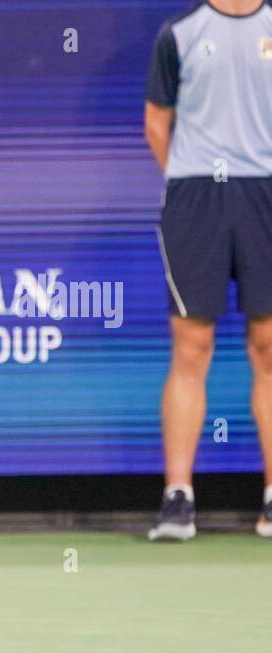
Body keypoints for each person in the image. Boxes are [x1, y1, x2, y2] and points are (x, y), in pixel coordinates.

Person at [144, 0, 272, 540]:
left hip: (265, 192)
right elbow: (157, 121)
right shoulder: (180, 33)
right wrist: (188, 181)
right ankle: (179, 499)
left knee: (268, 344)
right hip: (197, 197)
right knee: (191, 345)